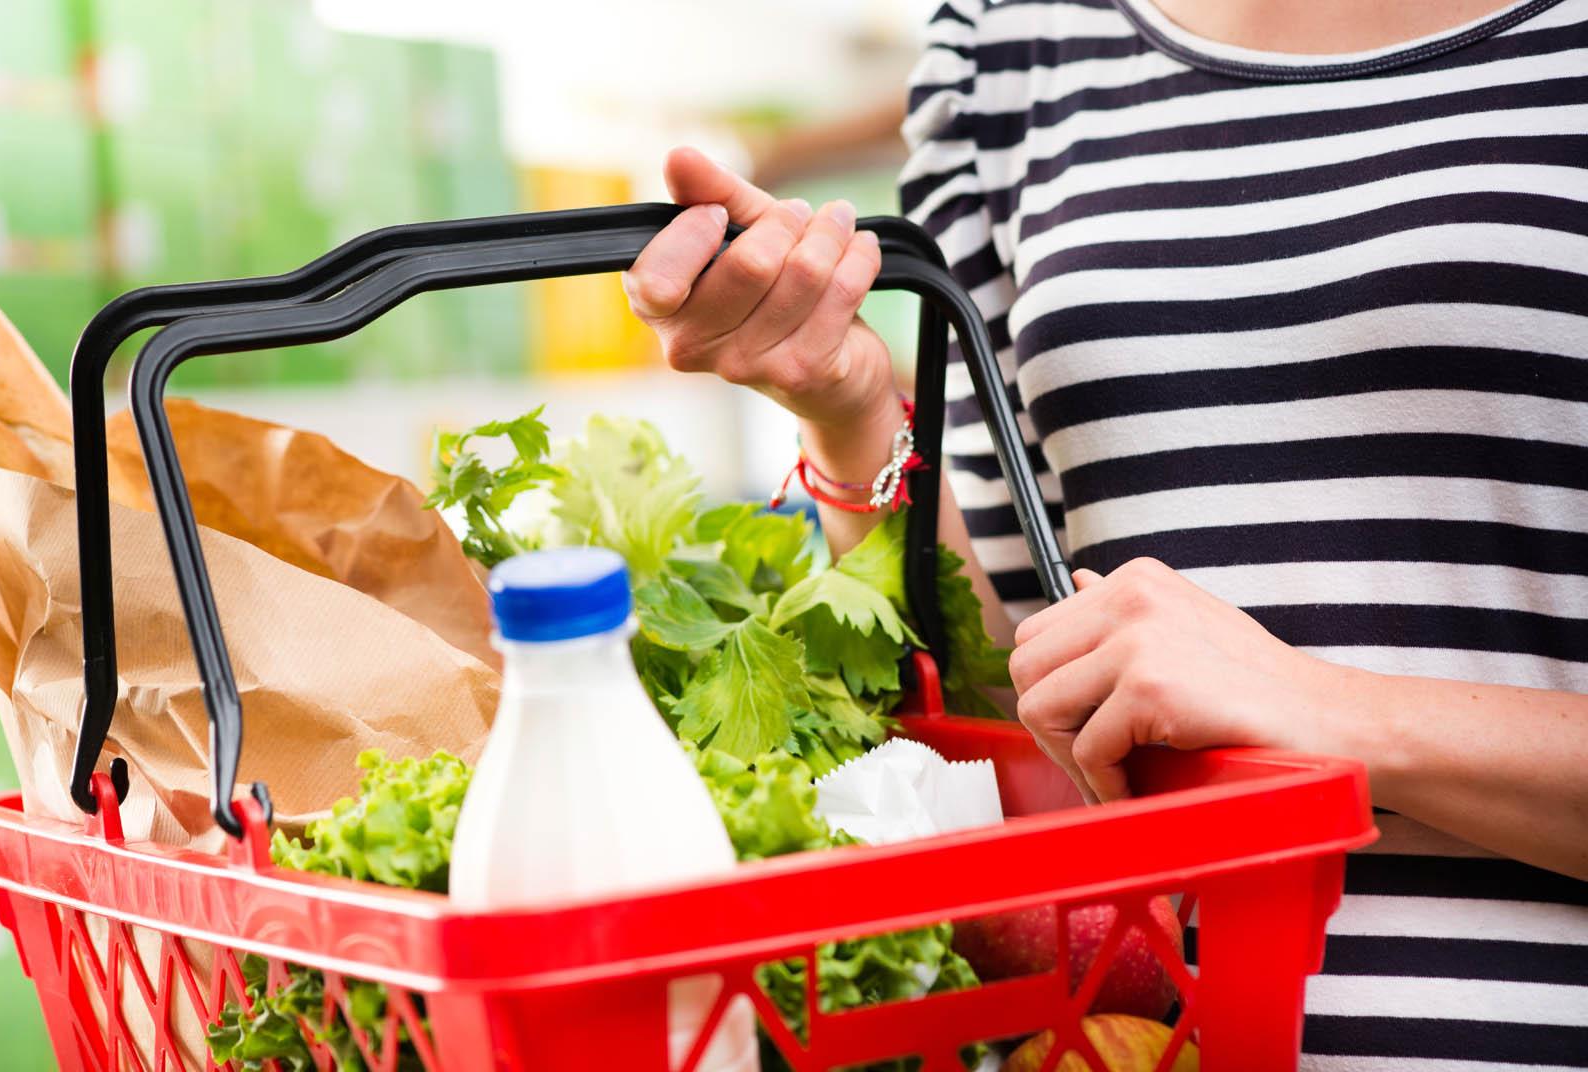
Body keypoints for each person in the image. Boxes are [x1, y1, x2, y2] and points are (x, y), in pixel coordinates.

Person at [622, 0, 1588, 1066]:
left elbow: (1282, 705)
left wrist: (1329, 714)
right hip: (1127, 1040)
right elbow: (1013, 709)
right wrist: (851, 409)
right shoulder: (1009, 48)